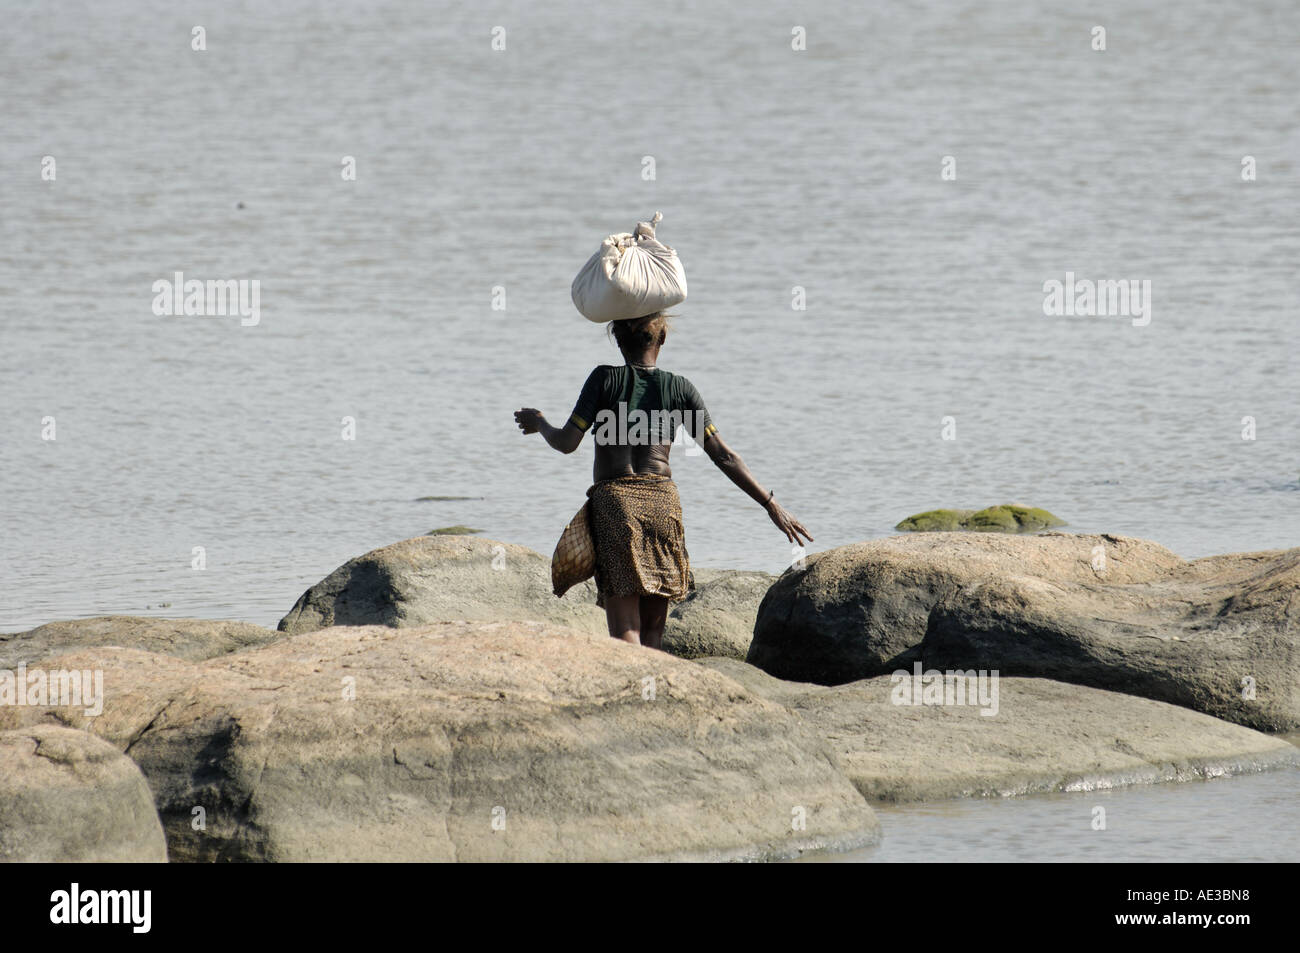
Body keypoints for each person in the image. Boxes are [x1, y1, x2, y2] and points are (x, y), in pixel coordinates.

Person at [514, 312, 812, 649]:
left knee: (625, 628)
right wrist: (771, 504)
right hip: (663, 504)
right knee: (654, 631)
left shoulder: (603, 380)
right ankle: (655, 690)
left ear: (616, 338)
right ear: (663, 339)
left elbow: (567, 443)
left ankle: (633, 692)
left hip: (617, 504)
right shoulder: (680, 388)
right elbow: (725, 456)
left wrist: (540, 424)